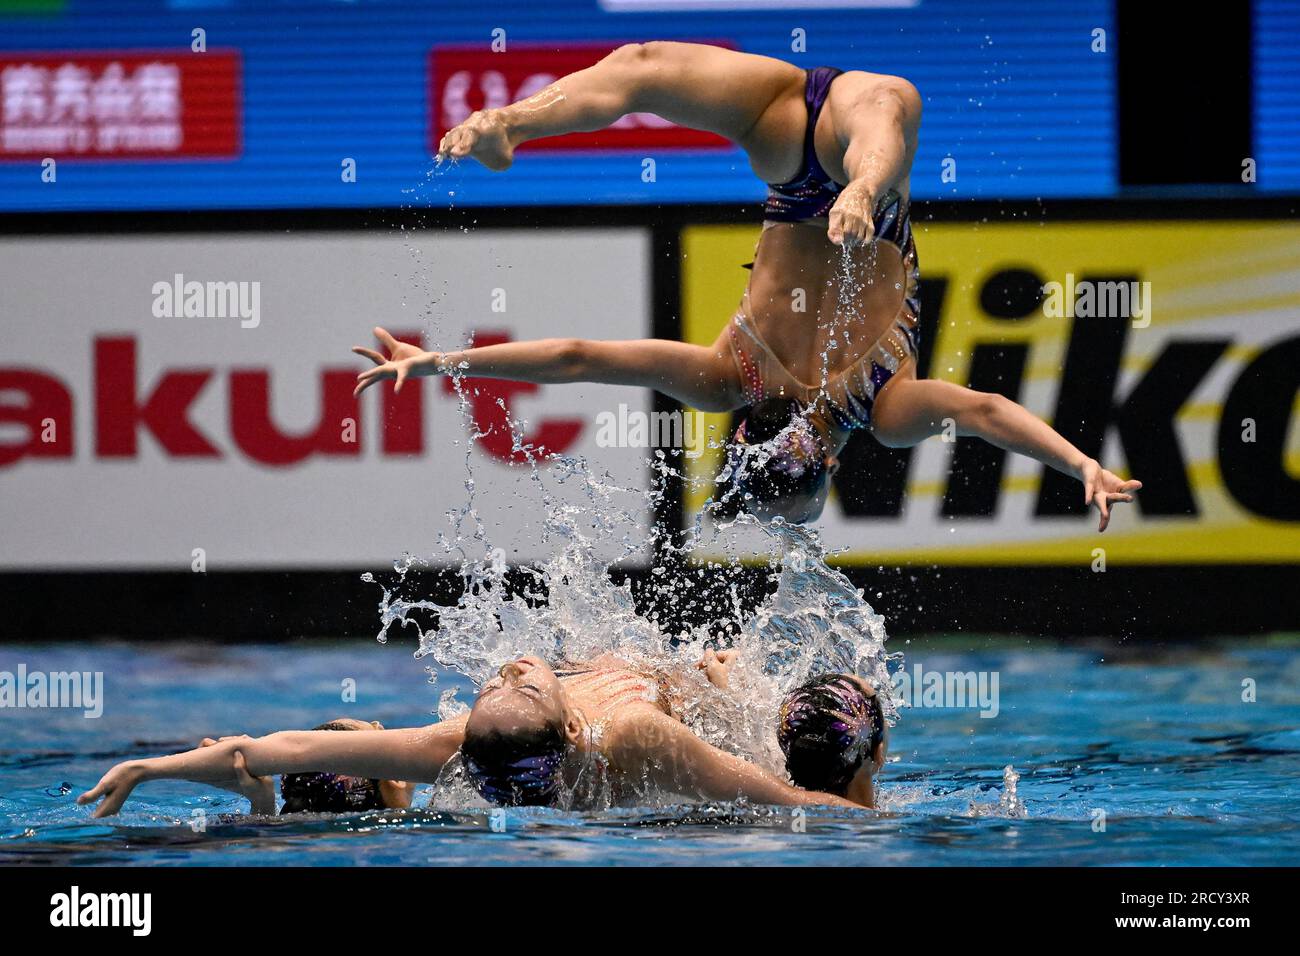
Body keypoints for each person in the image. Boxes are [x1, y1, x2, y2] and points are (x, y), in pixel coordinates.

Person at [352, 42, 1141, 528]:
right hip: (804, 162)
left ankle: (513, 125)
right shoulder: (737, 383)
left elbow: (987, 413)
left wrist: (1081, 465)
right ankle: (512, 125)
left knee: (879, 121)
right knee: (643, 69)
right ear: (744, 443)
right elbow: (580, 358)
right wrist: (436, 365)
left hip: (815, 166)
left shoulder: (860, 408)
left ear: (830, 468)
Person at [77, 654, 861, 817]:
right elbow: (783, 803)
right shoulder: (639, 736)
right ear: (570, 724)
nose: (513, 666)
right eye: (517, 684)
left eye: (505, 683)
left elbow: (280, 751)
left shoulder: (453, 742)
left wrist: (149, 766)